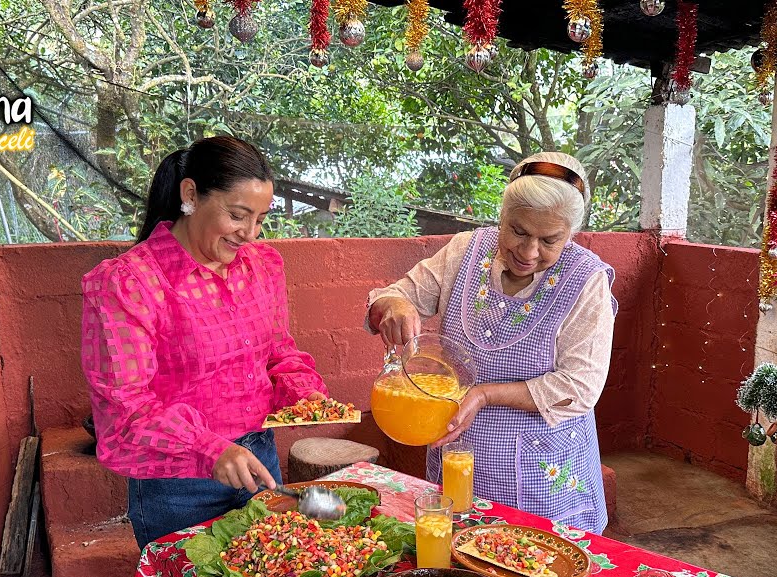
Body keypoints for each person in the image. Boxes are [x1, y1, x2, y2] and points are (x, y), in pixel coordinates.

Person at [82, 136, 327, 550]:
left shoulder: (263, 266)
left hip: (259, 461)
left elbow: (278, 352)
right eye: (237, 216)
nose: (250, 234)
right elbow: (124, 407)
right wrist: (208, 449)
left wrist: (303, 391)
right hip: (178, 484)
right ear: (191, 194)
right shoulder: (130, 282)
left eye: (261, 219)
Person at [367, 152, 617, 533]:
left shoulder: (586, 280)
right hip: (461, 460)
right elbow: (395, 295)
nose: (529, 252)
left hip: (543, 476)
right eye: (517, 231)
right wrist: (394, 304)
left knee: (534, 567)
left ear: (570, 234)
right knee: (461, 562)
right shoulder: (466, 250)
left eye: (550, 240)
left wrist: (484, 394)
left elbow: (579, 387)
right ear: (501, 216)